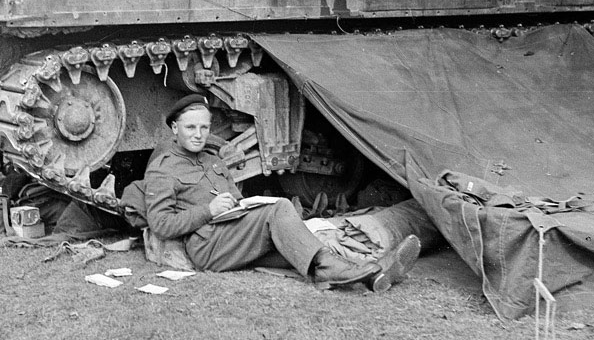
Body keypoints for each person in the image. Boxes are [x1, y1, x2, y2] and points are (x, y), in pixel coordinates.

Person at [143, 94, 419, 292]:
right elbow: (161, 224)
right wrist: (209, 210)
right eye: (190, 127)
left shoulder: (212, 161)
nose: (199, 134)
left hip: (231, 235)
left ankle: (371, 274)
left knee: (300, 246)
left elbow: (235, 201)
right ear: (174, 128)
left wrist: (241, 205)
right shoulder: (162, 169)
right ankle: (354, 269)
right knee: (280, 210)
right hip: (207, 246)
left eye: (204, 127)